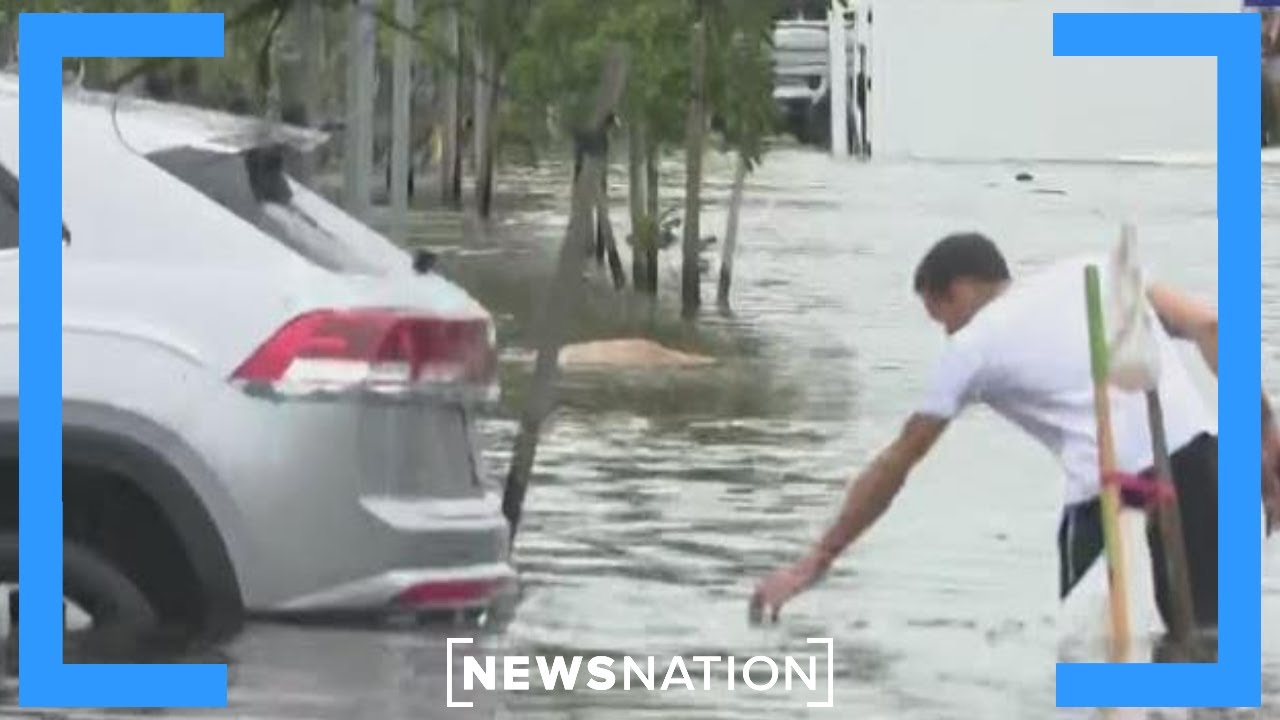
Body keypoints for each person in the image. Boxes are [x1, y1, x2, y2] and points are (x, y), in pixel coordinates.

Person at [750, 232, 1280, 635]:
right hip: (1202, 467)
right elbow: (1212, 326)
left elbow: (898, 461)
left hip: (1112, 500)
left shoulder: (972, 347)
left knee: (1086, 655)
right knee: (1211, 647)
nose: (946, 332)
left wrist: (818, 558)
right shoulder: (1096, 268)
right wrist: (1263, 433)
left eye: (940, 317)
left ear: (955, 293)